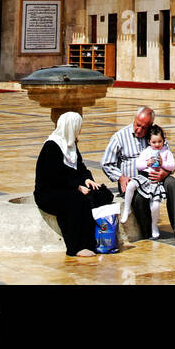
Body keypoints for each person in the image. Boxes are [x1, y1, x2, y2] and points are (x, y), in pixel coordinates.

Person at [33, 110, 115, 257]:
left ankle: (97, 241)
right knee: (76, 201)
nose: (80, 130)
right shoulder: (52, 146)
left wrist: (87, 179)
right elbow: (54, 177)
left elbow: (81, 167)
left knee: (101, 193)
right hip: (49, 192)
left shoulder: (70, 145)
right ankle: (77, 247)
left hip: (69, 186)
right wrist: (76, 187)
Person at [102, 105, 175, 239]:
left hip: (156, 177)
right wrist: (120, 177)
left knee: (173, 184)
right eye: (138, 125)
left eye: (144, 127)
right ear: (134, 119)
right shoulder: (120, 137)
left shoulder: (156, 135)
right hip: (133, 180)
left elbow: (168, 158)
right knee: (139, 197)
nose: (139, 130)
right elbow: (106, 163)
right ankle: (147, 230)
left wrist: (165, 173)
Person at [121, 125, 175, 240]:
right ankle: (126, 209)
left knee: (155, 205)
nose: (157, 145)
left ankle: (154, 225)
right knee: (131, 185)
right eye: (154, 142)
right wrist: (147, 163)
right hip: (145, 177)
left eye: (159, 141)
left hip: (156, 181)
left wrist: (162, 163)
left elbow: (172, 166)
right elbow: (138, 165)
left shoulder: (166, 152)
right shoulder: (147, 152)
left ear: (163, 141)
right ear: (149, 142)